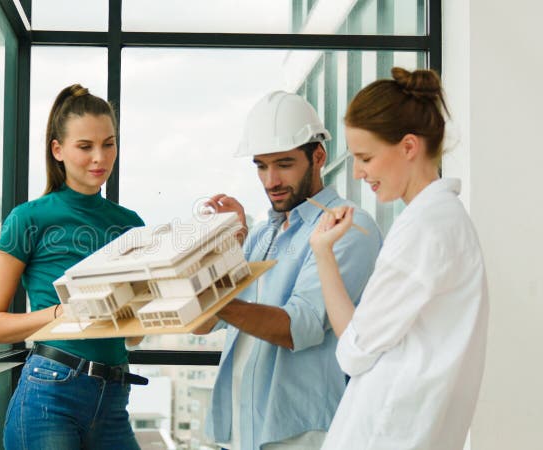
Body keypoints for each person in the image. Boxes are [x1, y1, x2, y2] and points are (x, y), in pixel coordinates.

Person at [309, 68, 489, 449]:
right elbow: (358, 340)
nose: (358, 172)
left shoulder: (424, 229)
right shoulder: (439, 221)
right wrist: (323, 253)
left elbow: (354, 353)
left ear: (409, 146)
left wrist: (324, 256)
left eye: (365, 157)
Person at [196, 91, 383, 450]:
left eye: (283, 164)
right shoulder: (263, 233)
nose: (271, 182)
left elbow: (301, 326)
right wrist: (227, 249)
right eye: (261, 166)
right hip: (236, 435)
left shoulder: (346, 227)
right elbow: (205, 324)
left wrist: (209, 300)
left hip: (300, 437)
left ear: (318, 157)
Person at [0, 84, 146, 450]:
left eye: (109, 143)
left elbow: (132, 337)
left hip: (115, 397)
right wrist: (62, 313)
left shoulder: (131, 225)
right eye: (85, 146)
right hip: (51, 395)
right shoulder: (28, 219)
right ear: (58, 150)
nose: (100, 157)